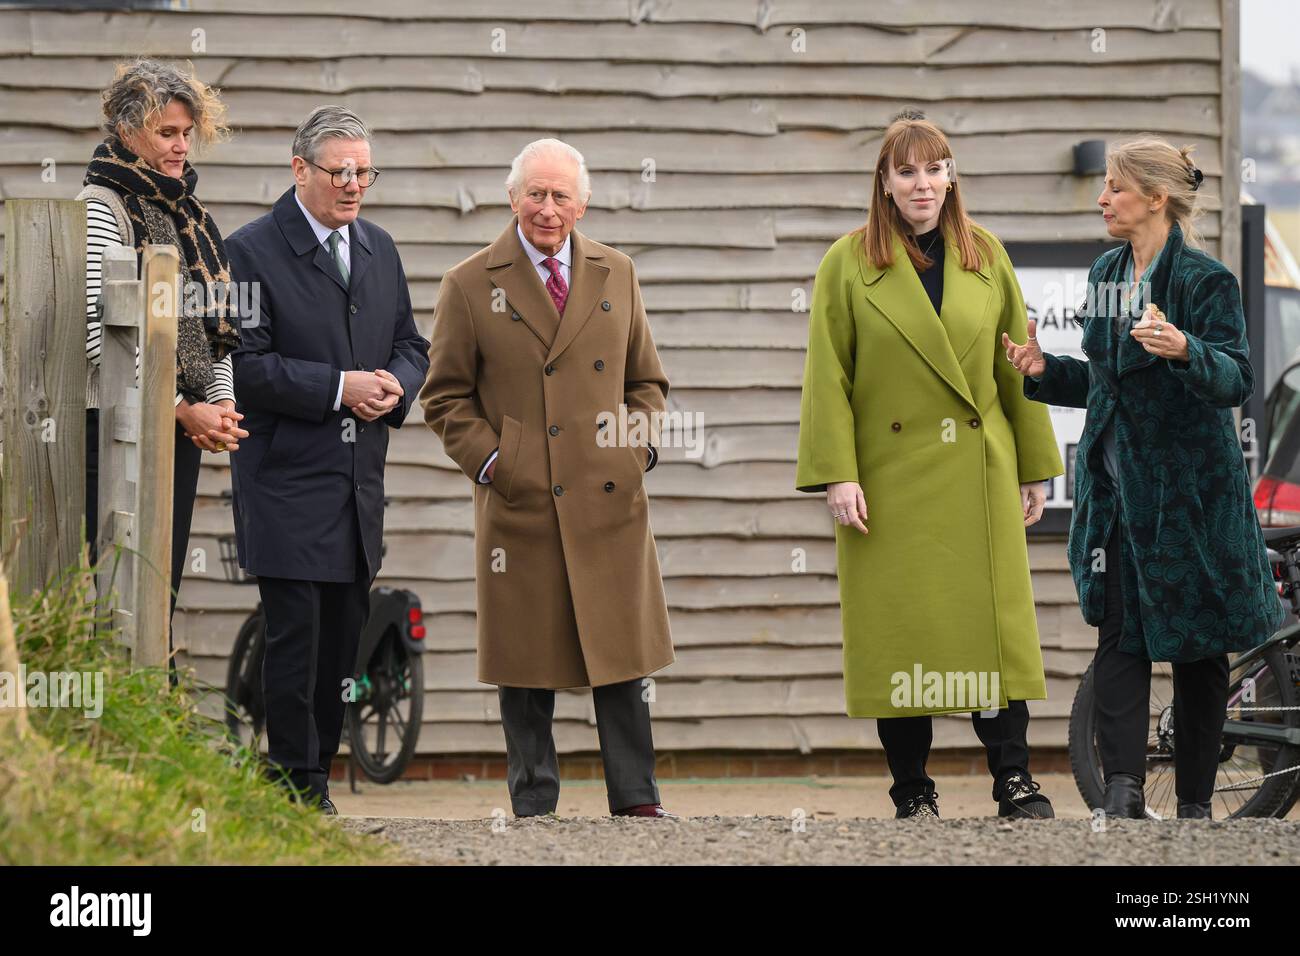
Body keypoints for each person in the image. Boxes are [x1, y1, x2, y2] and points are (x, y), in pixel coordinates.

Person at [1005, 137, 1286, 820]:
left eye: (1115, 189)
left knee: (1197, 652)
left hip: (1192, 499)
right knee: (1120, 639)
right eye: (1104, 186)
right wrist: (1045, 370)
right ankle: (1123, 793)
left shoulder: (1204, 282)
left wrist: (1188, 348)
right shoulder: (1106, 274)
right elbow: (1105, 384)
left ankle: (1192, 806)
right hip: (1120, 496)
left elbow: (1237, 378)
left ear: (1156, 199)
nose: (1102, 199)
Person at [794, 113, 1065, 819]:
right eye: (907, 170)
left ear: (951, 177)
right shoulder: (846, 264)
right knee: (903, 633)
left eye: (934, 168)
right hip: (887, 479)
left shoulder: (986, 256)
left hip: (978, 469)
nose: (923, 183)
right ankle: (912, 789)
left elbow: (1018, 368)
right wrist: (837, 472)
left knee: (992, 629)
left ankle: (1014, 779)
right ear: (884, 182)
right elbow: (829, 377)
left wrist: (1034, 464)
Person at [419, 138, 676, 819]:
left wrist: (635, 449)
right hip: (521, 500)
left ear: (582, 203)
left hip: (608, 495)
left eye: (562, 195)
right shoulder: (470, 283)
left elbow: (646, 382)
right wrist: (498, 463)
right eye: (536, 193)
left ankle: (638, 801)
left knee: (622, 655)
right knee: (524, 659)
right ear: (513, 197)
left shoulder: (616, 272)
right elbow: (443, 398)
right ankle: (535, 803)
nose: (548, 208)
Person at [224, 106, 430, 813]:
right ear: (299, 169)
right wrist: (340, 388)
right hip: (283, 479)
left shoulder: (379, 247)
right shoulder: (248, 250)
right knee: (296, 638)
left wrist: (397, 384)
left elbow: (412, 344)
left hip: (356, 486)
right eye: (338, 172)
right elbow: (245, 368)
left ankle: (312, 776)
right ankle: (294, 784)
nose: (352, 185)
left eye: (363, 172)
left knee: (343, 641)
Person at [79, 58, 248, 653]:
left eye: (187, 133)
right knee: (117, 587)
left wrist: (220, 402)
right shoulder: (103, 204)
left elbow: (217, 326)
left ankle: (151, 711)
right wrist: (181, 406)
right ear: (128, 133)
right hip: (115, 426)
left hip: (177, 425)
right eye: (167, 133)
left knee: (161, 586)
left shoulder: (189, 215)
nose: (182, 147)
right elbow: (101, 337)